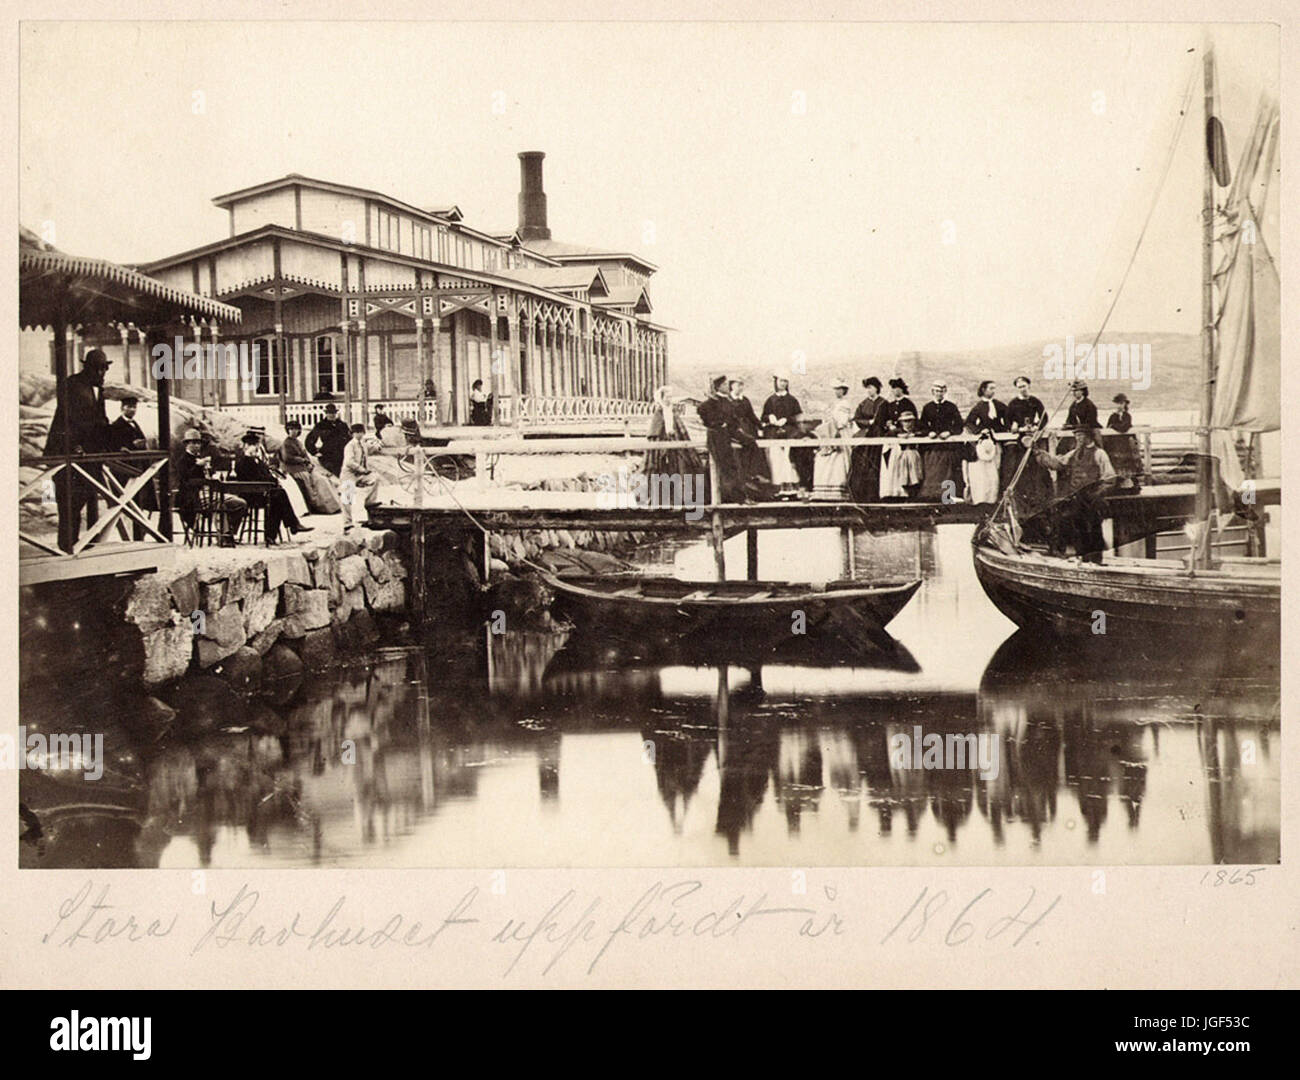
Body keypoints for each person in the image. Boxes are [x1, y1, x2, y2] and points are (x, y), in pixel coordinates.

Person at [44, 349, 113, 552]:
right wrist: (73, 445)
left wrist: (112, 444)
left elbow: (101, 422)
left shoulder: (97, 389)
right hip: (68, 452)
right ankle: (67, 546)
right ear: (89, 368)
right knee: (68, 501)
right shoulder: (72, 384)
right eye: (99, 369)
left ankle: (83, 543)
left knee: (86, 494)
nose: (102, 374)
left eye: (105, 369)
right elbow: (67, 419)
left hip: (88, 455)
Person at [1034, 422, 1116, 563]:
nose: (1077, 438)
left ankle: (1096, 562)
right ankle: (1083, 561)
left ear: (1088, 436)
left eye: (1080, 435)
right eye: (1076, 435)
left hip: (1092, 501)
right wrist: (1039, 453)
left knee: (1094, 530)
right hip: (1077, 500)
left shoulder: (1099, 454)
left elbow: (1110, 478)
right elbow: (1057, 464)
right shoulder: (1074, 453)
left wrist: (1097, 493)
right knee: (1079, 530)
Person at [234, 433, 312, 544]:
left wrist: (273, 481)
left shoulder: (258, 460)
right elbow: (244, 475)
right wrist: (247, 456)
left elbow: (268, 476)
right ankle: (292, 525)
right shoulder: (242, 460)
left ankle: (273, 536)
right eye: (250, 444)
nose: (254, 447)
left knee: (278, 497)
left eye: (255, 444)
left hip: (263, 492)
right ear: (245, 446)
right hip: (250, 494)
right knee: (279, 496)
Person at [175, 428, 246, 547]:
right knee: (219, 503)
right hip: (193, 497)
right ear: (187, 444)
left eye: (198, 443)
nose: (197, 445)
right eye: (193, 443)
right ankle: (224, 537)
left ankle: (229, 534)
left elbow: (210, 476)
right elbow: (186, 480)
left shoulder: (201, 458)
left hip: (210, 493)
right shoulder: (183, 460)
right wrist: (198, 466)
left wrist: (213, 474)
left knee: (240, 503)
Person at [105, 396, 158, 540]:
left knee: (140, 503)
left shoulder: (135, 424)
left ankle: (139, 534)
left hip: (138, 470)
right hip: (125, 472)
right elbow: (113, 446)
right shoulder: (116, 426)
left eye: (134, 407)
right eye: (129, 407)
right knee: (128, 503)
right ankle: (131, 536)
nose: (132, 409)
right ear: (122, 408)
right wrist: (130, 446)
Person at [644, 385, 704, 505]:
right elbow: (654, 430)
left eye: (671, 397)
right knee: (662, 471)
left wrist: (676, 435)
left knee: (680, 469)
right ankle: (662, 499)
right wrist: (664, 436)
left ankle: (681, 498)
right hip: (662, 447)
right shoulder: (659, 412)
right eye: (667, 397)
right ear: (662, 398)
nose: (669, 399)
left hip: (676, 446)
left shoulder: (673, 411)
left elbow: (680, 428)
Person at [697, 375, 745, 503]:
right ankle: (734, 497)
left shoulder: (727, 401)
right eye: (724, 385)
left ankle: (741, 493)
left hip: (727, 434)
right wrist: (717, 424)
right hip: (717, 437)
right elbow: (702, 412)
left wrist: (732, 426)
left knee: (736, 460)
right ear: (718, 387)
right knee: (726, 466)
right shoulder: (713, 401)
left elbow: (733, 419)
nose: (726, 387)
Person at [279, 419, 340, 514]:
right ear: (288, 430)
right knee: (307, 481)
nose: (294, 431)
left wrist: (310, 463)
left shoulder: (298, 442)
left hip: (304, 467)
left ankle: (332, 506)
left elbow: (305, 455)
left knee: (321, 480)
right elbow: (287, 458)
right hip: (294, 468)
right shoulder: (286, 443)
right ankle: (317, 506)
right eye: (291, 429)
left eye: (296, 429)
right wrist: (303, 460)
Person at [917, 380, 964, 502]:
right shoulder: (927, 407)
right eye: (937, 391)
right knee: (932, 469)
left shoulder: (951, 407)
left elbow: (959, 425)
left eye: (941, 391)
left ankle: (947, 496)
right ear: (933, 392)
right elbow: (922, 425)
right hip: (933, 446)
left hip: (947, 445)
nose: (939, 393)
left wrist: (949, 432)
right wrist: (929, 432)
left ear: (945, 392)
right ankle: (932, 496)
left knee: (948, 470)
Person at [963, 379, 1007, 502]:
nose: (993, 391)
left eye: (994, 388)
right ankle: (985, 498)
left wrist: (1005, 429)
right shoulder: (978, 407)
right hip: (986, 443)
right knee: (987, 470)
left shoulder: (999, 405)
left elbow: (1008, 417)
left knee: (998, 467)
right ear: (983, 390)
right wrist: (980, 431)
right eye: (991, 388)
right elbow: (968, 423)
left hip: (997, 440)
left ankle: (997, 497)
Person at [726, 378, 771, 496]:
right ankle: (743, 481)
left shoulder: (745, 400)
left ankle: (754, 476)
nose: (740, 387)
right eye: (737, 385)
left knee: (754, 449)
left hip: (749, 429)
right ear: (731, 386)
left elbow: (751, 415)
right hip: (735, 430)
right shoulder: (727, 400)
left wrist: (761, 426)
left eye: (742, 385)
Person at [1002, 375, 1046, 493]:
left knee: (1036, 465)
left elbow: (1044, 417)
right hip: (1019, 438)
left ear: (1029, 386)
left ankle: (1037, 493)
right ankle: (1022, 493)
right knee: (1020, 465)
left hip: (1033, 436)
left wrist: (1037, 426)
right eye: (1020, 387)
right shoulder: (1013, 403)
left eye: (1024, 386)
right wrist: (1014, 425)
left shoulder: (1035, 401)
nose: (1022, 389)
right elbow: (1007, 421)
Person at [760, 376, 802, 497]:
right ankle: (777, 490)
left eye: (785, 381)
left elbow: (798, 417)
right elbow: (763, 417)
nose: (783, 384)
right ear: (776, 382)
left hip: (789, 434)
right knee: (776, 461)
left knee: (788, 461)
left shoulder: (792, 400)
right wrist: (770, 418)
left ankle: (791, 489)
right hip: (774, 435)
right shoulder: (770, 400)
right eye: (781, 381)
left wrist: (787, 419)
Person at [813, 379, 854, 500]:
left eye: (840, 389)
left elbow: (842, 421)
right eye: (835, 389)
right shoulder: (833, 404)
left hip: (840, 433)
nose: (837, 391)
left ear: (844, 391)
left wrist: (832, 419)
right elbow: (827, 419)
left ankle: (841, 491)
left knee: (840, 459)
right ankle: (826, 490)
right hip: (830, 433)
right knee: (825, 459)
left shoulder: (845, 404)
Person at [849, 376, 886, 501]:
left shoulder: (883, 403)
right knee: (863, 465)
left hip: (879, 436)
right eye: (867, 388)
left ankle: (877, 495)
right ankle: (862, 495)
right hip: (865, 437)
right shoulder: (863, 404)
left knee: (877, 465)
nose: (869, 390)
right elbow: (857, 419)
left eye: (871, 388)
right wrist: (868, 422)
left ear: (877, 388)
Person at [340, 423, 381, 529]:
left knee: (375, 479)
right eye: (356, 432)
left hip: (360, 474)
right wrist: (362, 470)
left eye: (361, 432)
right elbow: (349, 462)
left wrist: (377, 446)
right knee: (347, 498)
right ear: (352, 434)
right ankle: (347, 523)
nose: (359, 434)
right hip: (349, 474)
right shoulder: (350, 446)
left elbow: (369, 449)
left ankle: (370, 503)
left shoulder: (362, 443)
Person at [883, 408, 924, 499]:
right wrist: (898, 436)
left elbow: (924, 432)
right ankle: (904, 495)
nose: (908, 423)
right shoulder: (897, 431)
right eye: (905, 421)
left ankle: (913, 496)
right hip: (902, 455)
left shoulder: (915, 430)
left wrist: (915, 435)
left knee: (915, 476)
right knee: (903, 475)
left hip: (913, 454)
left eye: (910, 421)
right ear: (901, 422)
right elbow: (887, 435)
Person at [1104, 393, 1141, 490]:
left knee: (1127, 465)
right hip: (1115, 445)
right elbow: (1107, 428)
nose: (1119, 406)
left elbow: (1125, 427)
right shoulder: (1113, 416)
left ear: (1125, 404)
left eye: (1121, 403)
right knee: (1116, 465)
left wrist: (1114, 426)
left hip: (1124, 445)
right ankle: (1117, 485)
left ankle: (1133, 485)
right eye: (1117, 403)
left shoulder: (1127, 416)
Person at [305, 403, 351, 476]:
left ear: (336, 413)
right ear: (326, 413)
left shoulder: (342, 425)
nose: (331, 415)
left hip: (341, 454)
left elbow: (349, 439)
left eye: (333, 413)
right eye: (329, 413)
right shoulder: (321, 425)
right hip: (328, 455)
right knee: (333, 476)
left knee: (344, 474)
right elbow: (310, 440)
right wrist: (314, 452)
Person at [1058, 379, 1098, 455]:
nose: (1074, 393)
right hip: (1077, 432)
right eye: (1073, 391)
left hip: (1089, 432)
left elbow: (1091, 423)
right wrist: (1066, 425)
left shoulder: (1089, 405)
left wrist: (1073, 426)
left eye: (1076, 391)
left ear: (1082, 391)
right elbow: (1070, 420)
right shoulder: (1073, 405)